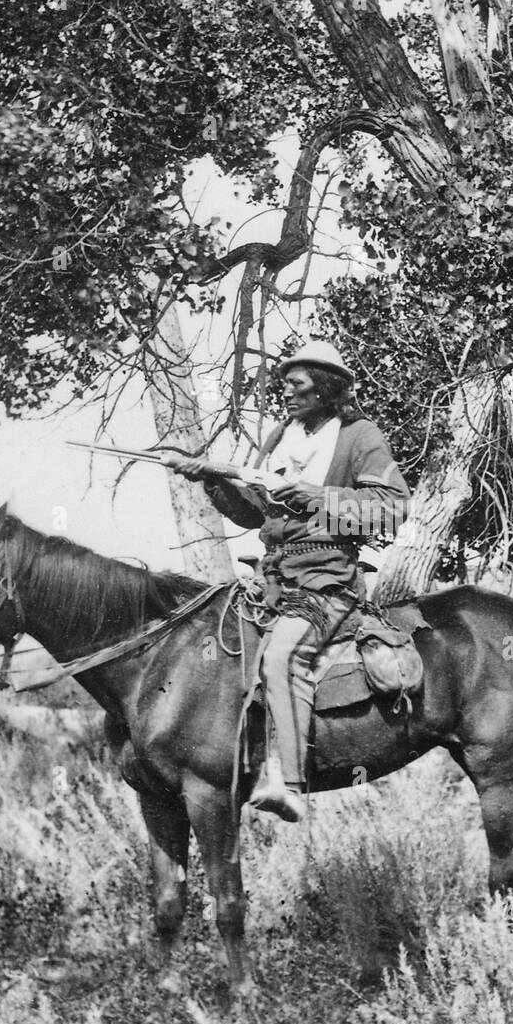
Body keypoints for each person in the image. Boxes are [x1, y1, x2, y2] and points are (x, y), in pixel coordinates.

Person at [162, 341, 410, 822]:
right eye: (285, 385)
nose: (287, 393)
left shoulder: (359, 436)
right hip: (272, 580)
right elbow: (256, 513)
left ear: (326, 388)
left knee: (282, 658)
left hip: (326, 581)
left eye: (297, 385)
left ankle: (291, 784)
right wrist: (211, 479)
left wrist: (319, 496)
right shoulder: (279, 436)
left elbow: (392, 509)